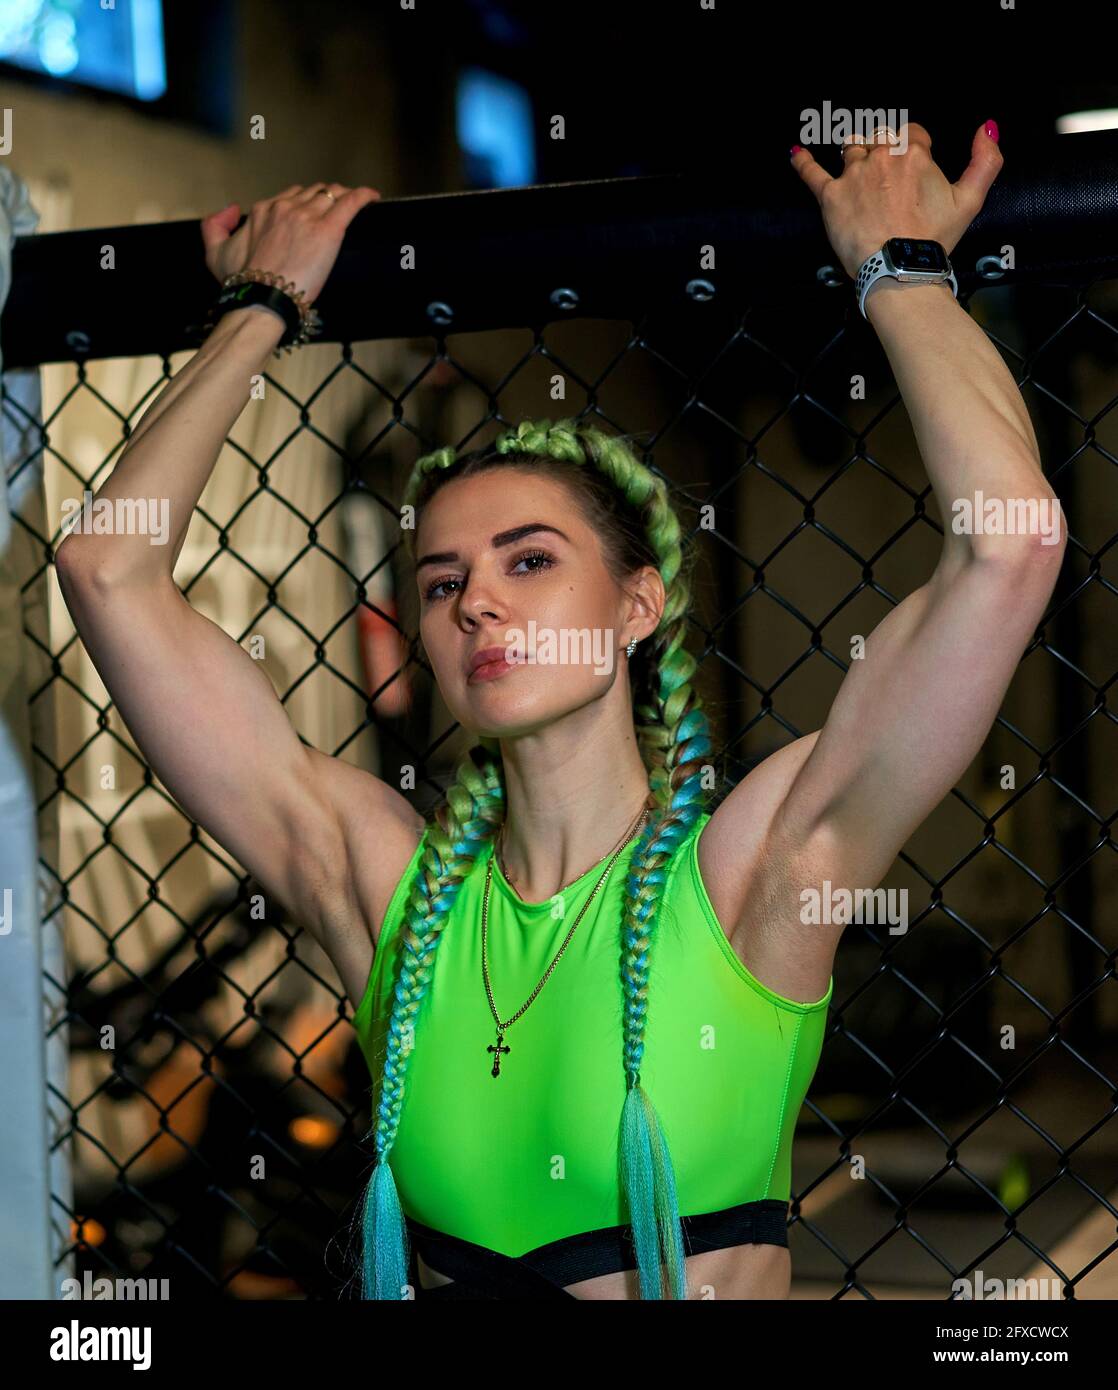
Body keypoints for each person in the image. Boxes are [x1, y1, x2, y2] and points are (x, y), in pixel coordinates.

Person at [54, 119, 1065, 1301]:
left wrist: (900, 270)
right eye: (441, 583)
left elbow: (1007, 546)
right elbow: (106, 571)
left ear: (636, 604)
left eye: (528, 561)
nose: (477, 599)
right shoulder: (390, 897)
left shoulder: (753, 870)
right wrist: (263, 306)